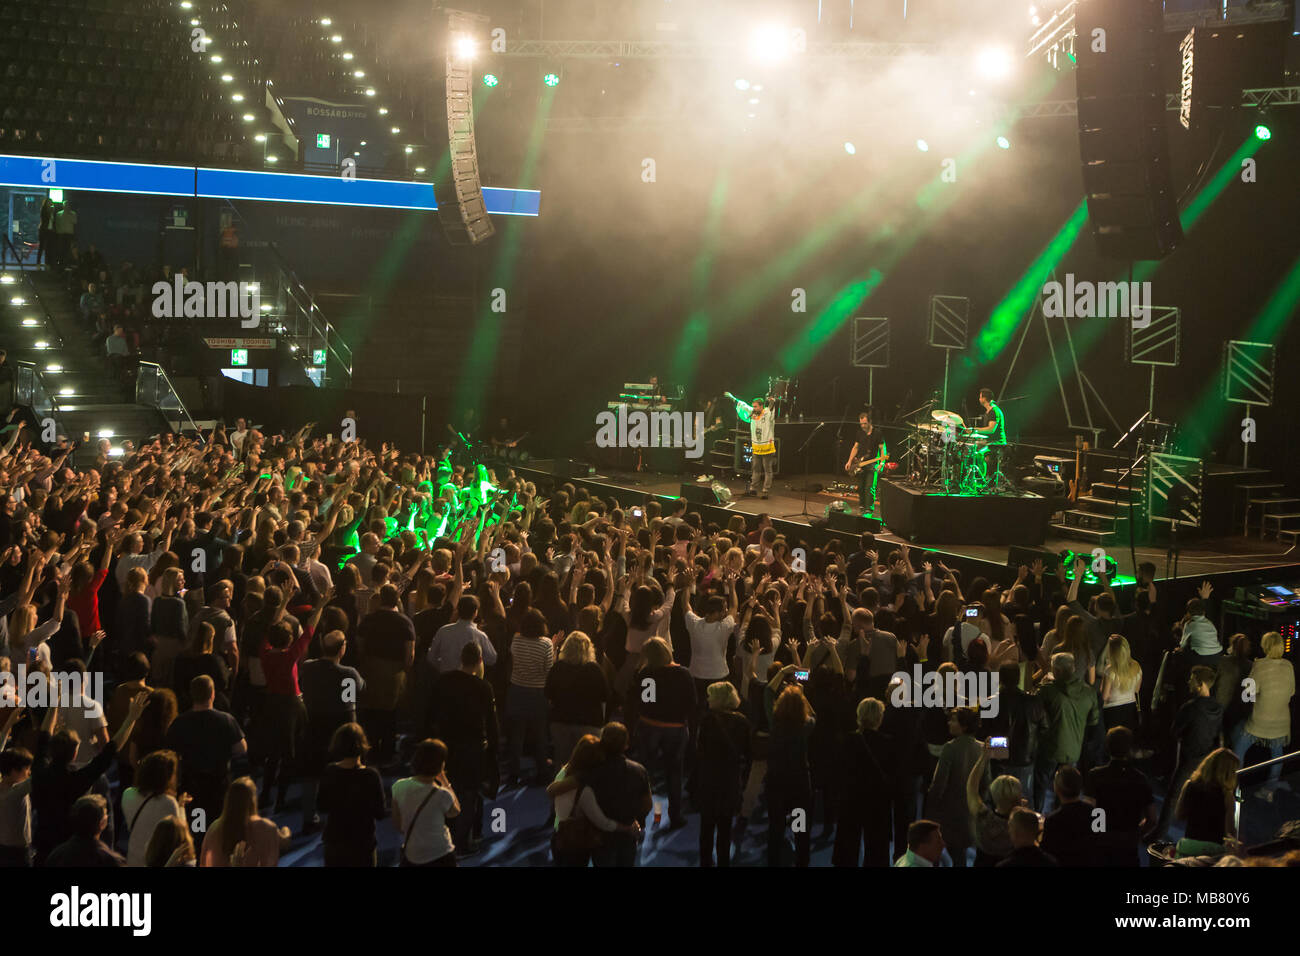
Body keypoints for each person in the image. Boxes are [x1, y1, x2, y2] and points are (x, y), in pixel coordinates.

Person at [31, 687, 148, 866]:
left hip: (44, 851)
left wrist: (55, 704)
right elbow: (110, 751)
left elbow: (44, 734)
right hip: (70, 853)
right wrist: (131, 718)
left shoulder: (40, 771)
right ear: (74, 754)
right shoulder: (77, 780)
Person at [432, 641, 499, 853]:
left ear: (461, 658)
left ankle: (447, 835)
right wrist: (494, 751)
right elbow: (491, 723)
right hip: (474, 747)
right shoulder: (484, 687)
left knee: (446, 788)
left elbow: (431, 714)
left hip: (447, 744)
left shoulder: (443, 681)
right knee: (470, 794)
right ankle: (463, 842)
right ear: (480, 661)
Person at [300, 629, 365, 834]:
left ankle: (309, 818)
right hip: (340, 730)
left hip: (313, 727)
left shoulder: (308, 668)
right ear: (342, 649)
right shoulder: (349, 674)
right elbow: (354, 698)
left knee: (311, 775)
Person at [164, 675, 247, 825]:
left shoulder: (180, 722)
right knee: (219, 825)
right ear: (212, 694)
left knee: (198, 826)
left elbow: (169, 752)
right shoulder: (226, 720)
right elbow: (241, 748)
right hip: (219, 784)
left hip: (192, 785)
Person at [631, 637, 694, 829]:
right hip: (675, 728)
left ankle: (639, 815)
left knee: (644, 773)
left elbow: (643, 702)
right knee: (675, 773)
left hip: (650, 726)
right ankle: (675, 815)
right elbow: (692, 702)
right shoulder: (682, 674)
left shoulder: (646, 673)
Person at [1154, 665, 1223, 839]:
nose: (1188, 682)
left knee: (1172, 797)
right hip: (1207, 758)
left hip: (1188, 758)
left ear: (1200, 684)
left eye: (1191, 679)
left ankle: (1158, 834)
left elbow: (1175, 732)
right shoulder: (1218, 708)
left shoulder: (1190, 707)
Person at [546, 734, 632, 866]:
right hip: (575, 843)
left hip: (559, 836)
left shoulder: (563, 772)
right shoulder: (584, 791)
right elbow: (602, 822)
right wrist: (627, 828)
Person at [1032, 653, 1099, 813]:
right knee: (1066, 789)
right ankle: (1061, 816)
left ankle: (1037, 815)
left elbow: (1034, 712)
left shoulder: (1047, 691)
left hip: (1048, 748)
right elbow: (1093, 721)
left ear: (1057, 671)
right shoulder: (1089, 693)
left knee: (1040, 784)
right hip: (1073, 751)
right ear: (1073, 668)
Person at [833, 697, 896, 867]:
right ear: (879, 718)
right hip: (877, 802)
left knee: (847, 848)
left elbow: (840, 771)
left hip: (851, 799)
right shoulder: (888, 743)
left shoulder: (849, 740)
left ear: (859, 715)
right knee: (877, 851)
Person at [1231, 630, 1295, 796]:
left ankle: (1232, 786)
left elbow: (1247, 695)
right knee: (1277, 755)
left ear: (1265, 647)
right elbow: (1291, 692)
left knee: (1238, 746)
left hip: (1259, 722)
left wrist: (1253, 670)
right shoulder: (1289, 665)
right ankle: (1269, 789)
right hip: (1281, 722)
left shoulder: (1259, 665)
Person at [695, 681, 751, 866]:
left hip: (709, 780)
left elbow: (699, 751)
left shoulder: (707, 720)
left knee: (706, 828)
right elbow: (747, 753)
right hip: (730, 781)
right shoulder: (742, 721)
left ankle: (705, 862)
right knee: (725, 830)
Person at [316, 723, 387, 867]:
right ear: (362, 745)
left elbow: (321, 806)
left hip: (335, 839)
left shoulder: (330, 771)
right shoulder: (371, 775)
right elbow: (380, 813)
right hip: (363, 840)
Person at [1084, 727, 1157, 866]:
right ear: (1130, 748)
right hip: (1128, 846)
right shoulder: (1140, 779)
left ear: (1107, 747)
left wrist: (1098, 833)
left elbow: (1089, 810)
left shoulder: (1095, 775)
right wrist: (1135, 834)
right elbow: (1152, 819)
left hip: (1102, 843)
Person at [586, 722, 652, 867]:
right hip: (628, 831)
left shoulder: (591, 771)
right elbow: (647, 804)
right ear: (626, 745)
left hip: (601, 834)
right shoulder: (639, 771)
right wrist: (636, 819)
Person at [766, 683, 816, 867]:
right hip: (799, 785)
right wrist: (803, 696)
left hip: (776, 782)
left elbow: (767, 693)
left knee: (775, 829)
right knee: (800, 829)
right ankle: (802, 862)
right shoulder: (806, 725)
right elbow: (814, 716)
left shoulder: (775, 722)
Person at [926, 706, 983, 866]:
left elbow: (939, 784)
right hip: (970, 812)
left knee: (938, 853)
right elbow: (986, 783)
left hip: (949, 813)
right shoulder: (981, 748)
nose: (949, 723)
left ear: (963, 726)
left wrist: (931, 807)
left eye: (953, 720)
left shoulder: (950, 748)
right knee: (960, 856)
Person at [505, 607, 556, 786]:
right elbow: (549, 671)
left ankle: (513, 773)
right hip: (537, 693)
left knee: (516, 735)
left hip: (517, 689)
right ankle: (542, 770)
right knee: (539, 734)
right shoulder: (546, 644)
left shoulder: (516, 639)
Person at [391, 738, 460, 867]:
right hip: (441, 853)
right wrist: (444, 780)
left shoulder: (399, 787)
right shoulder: (442, 794)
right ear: (441, 765)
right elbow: (455, 811)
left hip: (412, 853)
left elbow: (398, 825)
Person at [545, 631, 608, 770]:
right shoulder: (594, 669)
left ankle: (560, 789)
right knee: (589, 764)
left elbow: (548, 693)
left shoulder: (558, 667)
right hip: (589, 723)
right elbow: (605, 696)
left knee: (562, 762)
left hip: (561, 721)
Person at [200, 776, 291, 867]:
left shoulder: (215, 828)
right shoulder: (266, 827)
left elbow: (203, 861)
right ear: (253, 800)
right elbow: (284, 842)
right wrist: (286, 830)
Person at [120, 749, 186, 867]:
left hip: (133, 861)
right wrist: (181, 807)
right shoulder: (168, 803)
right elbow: (180, 835)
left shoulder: (128, 794)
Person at [1175, 748, 1240, 855]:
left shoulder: (1190, 785)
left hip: (1188, 846)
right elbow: (1229, 832)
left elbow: (1179, 815)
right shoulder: (1226, 795)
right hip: (1212, 851)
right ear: (1229, 772)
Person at [45, 794, 123, 867]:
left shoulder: (56, 856)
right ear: (102, 823)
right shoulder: (112, 861)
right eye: (106, 814)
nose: (107, 816)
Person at [1041, 765, 1093, 867]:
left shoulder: (1053, 820)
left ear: (1057, 789)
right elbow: (1101, 843)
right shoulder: (1097, 814)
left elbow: (1046, 854)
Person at [728, 392, 776, 500]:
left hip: (767, 447)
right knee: (755, 469)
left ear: (761, 406)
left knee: (767, 469)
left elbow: (771, 406)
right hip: (756, 447)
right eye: (753, 406)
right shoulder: (753, 413)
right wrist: (732, 397)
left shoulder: (767, 413)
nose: (753, 408)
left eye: (755, 406)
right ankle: (753, 489)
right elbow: (743, 405)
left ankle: (765, 491)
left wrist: (772, 401)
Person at [844, 408, 887, 517]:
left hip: (873, 464)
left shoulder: (877, 433)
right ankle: (862, 507)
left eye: (865, 423)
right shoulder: (859, 433)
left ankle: (869, 509)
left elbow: (883, 449)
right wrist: (849, 461)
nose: (863, 426)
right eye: (861, 424)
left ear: (870, 422)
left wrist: (882, 463)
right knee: (861, 487)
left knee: (869, 487)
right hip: (861, 464)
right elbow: (855, 447)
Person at [1100, 634, 1142, 732]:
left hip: (1113, 711)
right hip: (1131, 708)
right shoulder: (1136, 667)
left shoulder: (1110, 670)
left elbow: (1105, 696)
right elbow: (1137, 689)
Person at [969, 387, 1007, 488]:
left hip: (997, 443)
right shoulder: (989, 411)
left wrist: (975, 430)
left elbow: (991, 429)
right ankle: (983, 479)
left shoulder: (994, 411)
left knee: (979, 454)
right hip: (991, 441)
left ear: (984, 398)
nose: (979, 399)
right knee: (975, 450)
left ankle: (985, 480)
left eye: (980, 397)